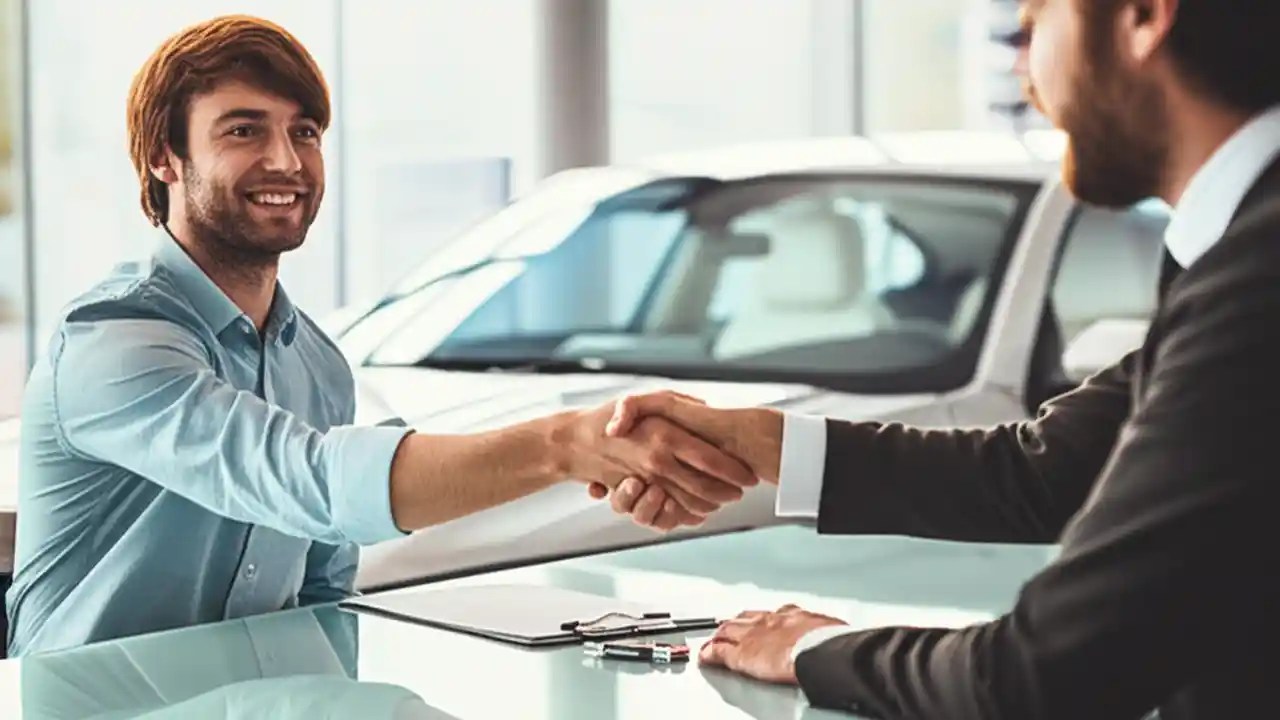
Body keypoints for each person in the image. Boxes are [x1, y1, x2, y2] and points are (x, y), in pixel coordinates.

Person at [604, 0, 1280, 718]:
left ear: (1144, 15)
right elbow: (1049, 468)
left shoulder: (1260, 278)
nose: (1021, 67)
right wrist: (769, 447)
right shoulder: (1243, 250)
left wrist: (812, 651)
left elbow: (1039, 676)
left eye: (1033, 21)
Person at [3, 15, 752, 657]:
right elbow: (309, 482)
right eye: (243, 131)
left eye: (305, 132)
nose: (286, 161)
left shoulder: (315, 362)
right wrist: (569, 445)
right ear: (164, 159)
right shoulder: (113, 341)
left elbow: (324, 598)